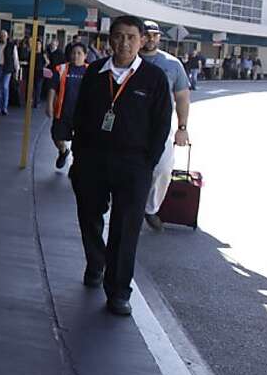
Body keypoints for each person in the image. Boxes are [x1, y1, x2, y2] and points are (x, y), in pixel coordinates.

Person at [69, 16, 172, 316]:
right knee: (89, 214)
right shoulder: (94, 73)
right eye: (118, 37)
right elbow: (81, 114)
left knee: (126, 228)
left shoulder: (154, 79)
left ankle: (118, 291)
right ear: (108, 40)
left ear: (142, 41)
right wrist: (79, 154)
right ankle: (95, 261)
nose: (124, 43)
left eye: (131, 37)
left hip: (134, 164)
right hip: (92, 160)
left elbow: (161, 125)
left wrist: (147, 163)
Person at [138, 21, 192, 232]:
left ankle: (150, 209)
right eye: (146, 35)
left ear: (159, 38)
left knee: (162, 169)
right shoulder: (128, 59)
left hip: (161, 129)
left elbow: (182, 97)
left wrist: (182, 127)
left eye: (154, 35)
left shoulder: (172, 64)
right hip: (130, 127)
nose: (150, 39)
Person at [46, 43, 89, 169]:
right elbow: (52, 88)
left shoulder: (90, 70)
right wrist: (49, 105)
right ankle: (63, 151)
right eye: (73, 53)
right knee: (56, 136)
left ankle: (76, 165)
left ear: (85, 55)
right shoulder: (62, 69)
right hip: (63, 111)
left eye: (79, 53)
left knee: (81, 142)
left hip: (82, 114)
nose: (76, 56)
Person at [0, 29, 20, 115]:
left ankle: (4, 108)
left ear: (7, 36)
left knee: (5, 87)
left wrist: (17, 70)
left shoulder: (12, 46)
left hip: (7, 67)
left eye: (4, 35)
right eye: (1, 35)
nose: (3, 37)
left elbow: (15, 58)